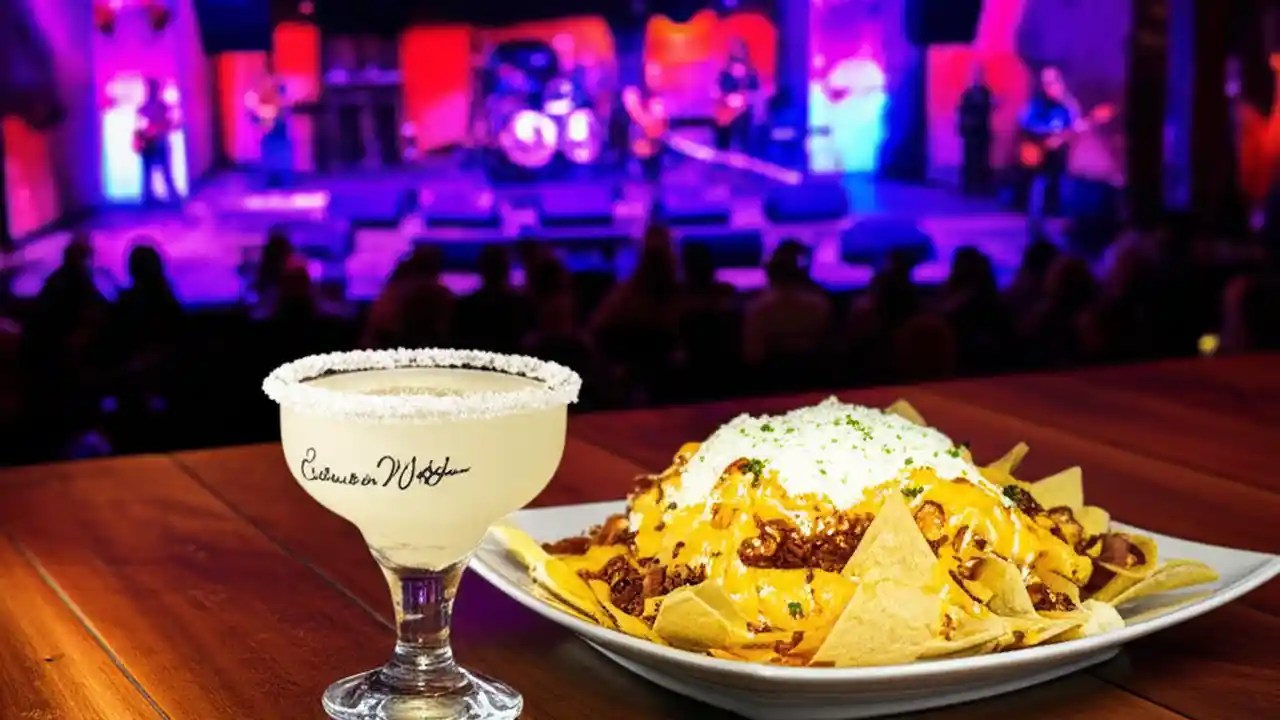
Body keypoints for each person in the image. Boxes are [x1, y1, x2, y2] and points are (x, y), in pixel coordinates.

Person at [742, 240, 831, 383]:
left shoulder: (759, 309)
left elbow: (753, 356)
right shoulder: (819, 305)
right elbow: (828, 354)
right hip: (814, 383)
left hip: (768, 386)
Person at [1019, 66, 1080, 226]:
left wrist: (1065, 135)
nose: (1048, 87)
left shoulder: (1069, 105)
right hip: (1041, 158)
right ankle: (1036, 227)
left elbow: (1074, 128)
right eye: (1045, 83)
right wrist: (1046, 131)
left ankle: (1066, 226)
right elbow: (1024, 122)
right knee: (1038, 190)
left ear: (1060, 83)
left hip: (1062, 158)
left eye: (1051, 83)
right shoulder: (1037, 104)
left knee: (1066, 189)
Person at [244, 62, 293, 188]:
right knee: (270, 152)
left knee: (280, 152)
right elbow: (253, 113)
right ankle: (272, 178)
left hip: (278, 129)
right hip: (268, 131)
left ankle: (281, 178)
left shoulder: (279, 92)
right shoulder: (258, 95)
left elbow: (283, 109)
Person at [135, 78, 181, 206]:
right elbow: (169, 124)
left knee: (155, 171)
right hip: (154, 142)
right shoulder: (160, 107)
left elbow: (168, 124)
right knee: (157, 171)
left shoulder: (152, 107)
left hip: (154, 142)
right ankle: (160, 198)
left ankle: (153, 198)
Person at [714, 37, 760, 153]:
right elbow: (719, 89)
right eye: (734, 49)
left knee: (744, 138)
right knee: (724, 139)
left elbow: (755, 89)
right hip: (726, 113)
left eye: (739, 48)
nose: (737, 51)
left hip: (743, 112)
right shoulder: (725, 73)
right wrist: (726, 97)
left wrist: (745, 97)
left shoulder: (750, 72)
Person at [958, 66, 994, 195]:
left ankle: (979, 186)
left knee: (981, 159)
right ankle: (969, 186)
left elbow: (988, 106)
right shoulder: (968, 93)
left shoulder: (985, 92)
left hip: (982, 131)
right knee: (970, 159)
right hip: (971, 132)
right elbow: (962, 111)